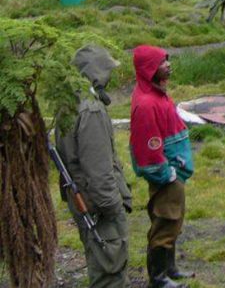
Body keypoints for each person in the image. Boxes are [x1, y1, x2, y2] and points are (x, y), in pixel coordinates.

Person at [55, 45, 133, 288]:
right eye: (107, 70)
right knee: (110, 272)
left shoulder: (69, 103)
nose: (110, 76)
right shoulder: (91, 109)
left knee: (100, 264)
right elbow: (99, 171)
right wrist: (113, 206)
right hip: (99, 207)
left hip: (85, 202)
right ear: (95, 73)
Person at [130, 45, 195, 288]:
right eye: (161, 62)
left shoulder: (157, 93)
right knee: (165, 220)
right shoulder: (147, 104)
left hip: (174, 168)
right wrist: (165, 173)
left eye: (167, 60)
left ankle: (170, 268)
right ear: (149, 69)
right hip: (166, 172)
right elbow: (148, 148)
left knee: (174, 218)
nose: (168, 65)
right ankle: (158, 279)